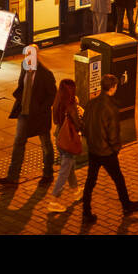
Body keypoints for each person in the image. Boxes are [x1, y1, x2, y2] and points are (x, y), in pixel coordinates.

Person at [81, 73, 138, 224]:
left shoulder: (91, 103)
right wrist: (115, 148)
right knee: (118, 178)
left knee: (90, 181)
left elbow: (84, 125)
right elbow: (113, 134)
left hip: (93, 149)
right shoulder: (111, 107)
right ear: (113, 87)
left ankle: (86, 211)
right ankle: (127, 205)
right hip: (106, 151)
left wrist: (90, 141)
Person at [0, 45, 57, 186]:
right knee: (18, 143)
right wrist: (20, 98)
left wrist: (41, 109)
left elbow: (52, 95)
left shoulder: (46, 74)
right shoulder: (24, 68)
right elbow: (21, 86)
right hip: (25, 112)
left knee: (46, 145)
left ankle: (48, 173)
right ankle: (13, 177)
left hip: (40, 115)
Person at [47, 80, 85, 212]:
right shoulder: (71, 105)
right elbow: (78, 123)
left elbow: (57, 120)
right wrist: (79, 109)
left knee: (69, 166)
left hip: (59, 136)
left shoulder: (58, 101)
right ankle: (54, 200)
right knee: (64, 170)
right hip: (68, 138)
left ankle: (76, 191)